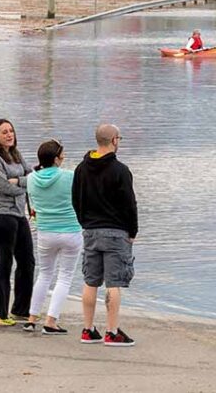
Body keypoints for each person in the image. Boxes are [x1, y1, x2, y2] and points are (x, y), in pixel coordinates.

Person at [72, 124, 138, 347]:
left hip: (90, 230)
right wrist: (132, 231)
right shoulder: (120, 170)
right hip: (115, 231)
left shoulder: (81, 168)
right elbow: (130, 204)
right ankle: (112, 331)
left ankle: (88, 328)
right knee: (113, 283)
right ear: (114, 140)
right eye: (119, 138)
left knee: (90, 281)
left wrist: (85, 222)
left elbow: (75, 199)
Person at [23, 140, 82, 335]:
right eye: (62, 154)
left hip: (45, 232)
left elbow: (33, 204)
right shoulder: (70, 176)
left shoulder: (31, 178)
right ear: (56, 159)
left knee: (44, 274)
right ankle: (51, 321)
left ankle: (32, 318)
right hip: (70, 231)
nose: (64, 157)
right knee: (64, 277)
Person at [0, 118, 35, 327]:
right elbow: (4, 186)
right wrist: (25, 185)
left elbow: (33, 177)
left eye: (11, 131)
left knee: (27, 261)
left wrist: (20, 181)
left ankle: (21, 309)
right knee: (4, 262)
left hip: (18, 214)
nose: (9, 135)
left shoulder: (16, 155)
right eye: (4, 132)